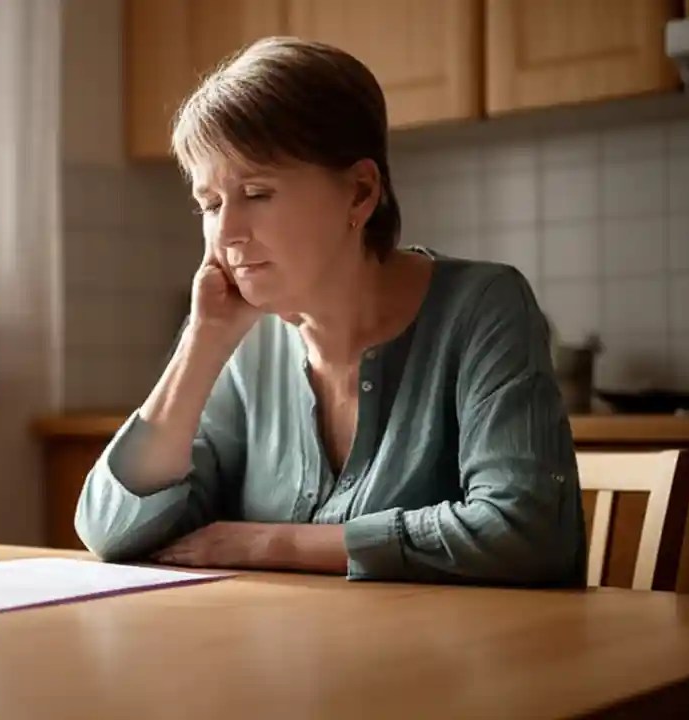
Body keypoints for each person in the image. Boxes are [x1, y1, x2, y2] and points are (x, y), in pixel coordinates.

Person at [74, 37, 585, 586]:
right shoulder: (239, 342)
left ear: (360, 193)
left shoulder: (484, 305)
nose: (226, 234)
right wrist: (202, 344)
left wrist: (275, 542)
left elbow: (526, 532)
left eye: (257, 192)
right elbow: (112, 530)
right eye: (211, 204)